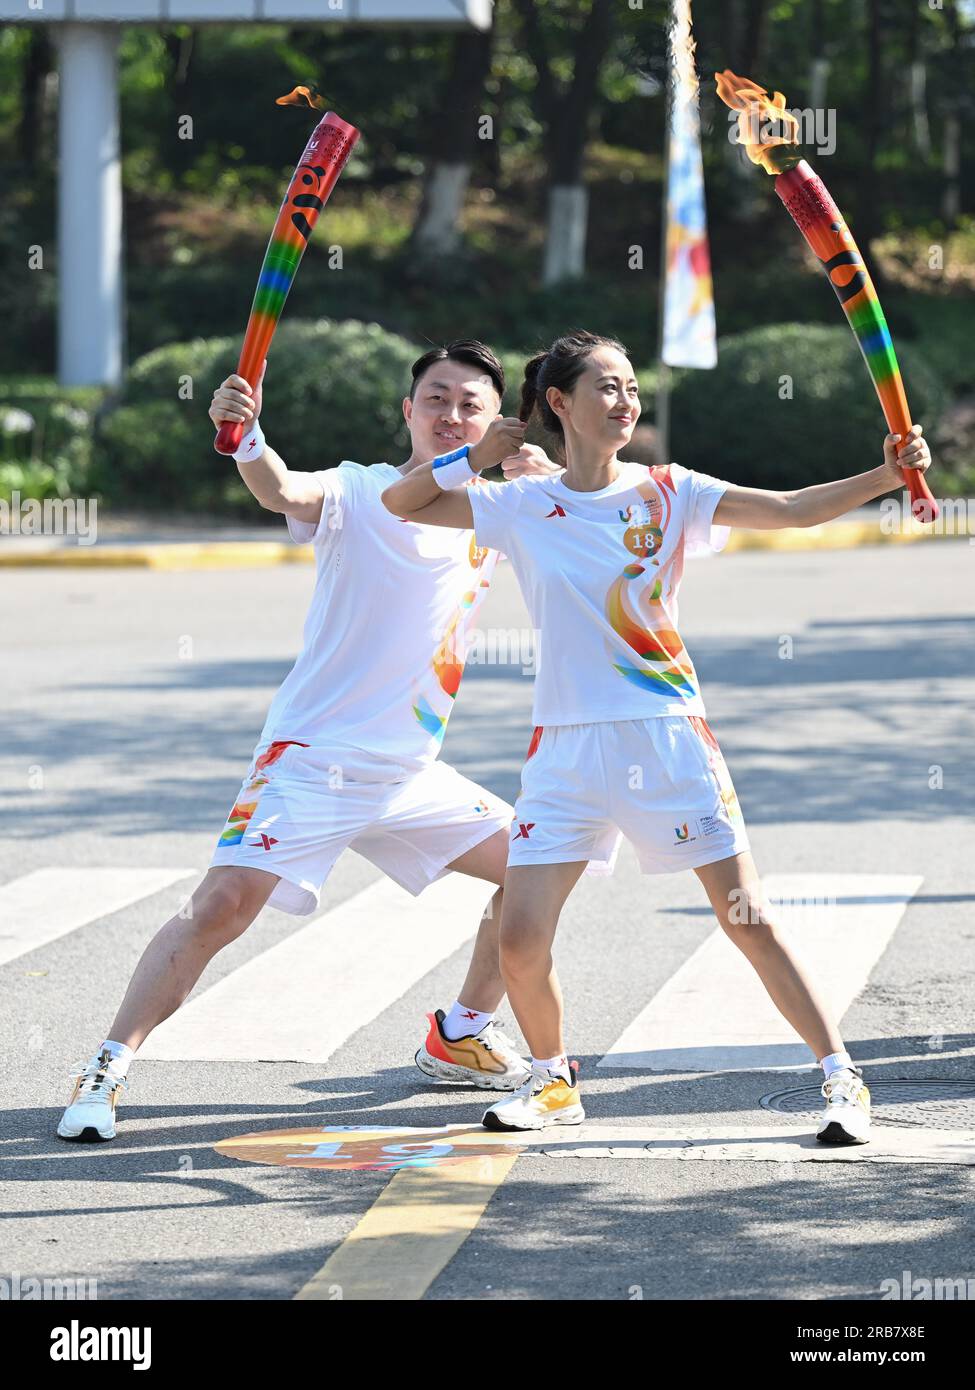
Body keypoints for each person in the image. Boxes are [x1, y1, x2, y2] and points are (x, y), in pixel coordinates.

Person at [381, 328, 933, 1146]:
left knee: (746, 917)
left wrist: (886, 474)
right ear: (559, 404)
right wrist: (479, 452)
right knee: (522, 936)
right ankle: (551, 1081)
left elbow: (788, 511)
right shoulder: (520, 503)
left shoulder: (669, 492)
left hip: (665, 736)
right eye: (606, 386)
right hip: (563, 750)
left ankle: (840, 1075)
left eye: (631, 385)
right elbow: (404, 502)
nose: (626, 399)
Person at [57, 339, 560, 1143]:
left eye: (470, 403)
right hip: (312, 758)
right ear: (408, 410)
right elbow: (278, 487)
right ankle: (107, 1066)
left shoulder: (496, 509)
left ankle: (460, 1033)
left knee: (537, 869)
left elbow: (603, 537)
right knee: (220, 906)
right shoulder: (359, 490)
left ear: (496, 419)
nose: (450, 414)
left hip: (408, 770)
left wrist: (551, 485)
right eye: (435, 398)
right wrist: (247, 438)